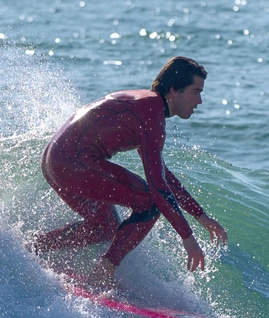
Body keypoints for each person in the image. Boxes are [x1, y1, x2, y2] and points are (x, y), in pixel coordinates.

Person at [31, 56, 227, 289]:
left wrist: (200, 216)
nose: (200, 101)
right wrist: (188, 238)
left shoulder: (147, 106)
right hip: (73, 163)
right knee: (150, 203)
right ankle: (104, 271)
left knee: (104, 227)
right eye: (196, 91)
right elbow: (157, 187)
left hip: (57, 161)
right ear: (175, 90)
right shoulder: (151, 112)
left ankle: (33, 247)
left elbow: (160, 174)